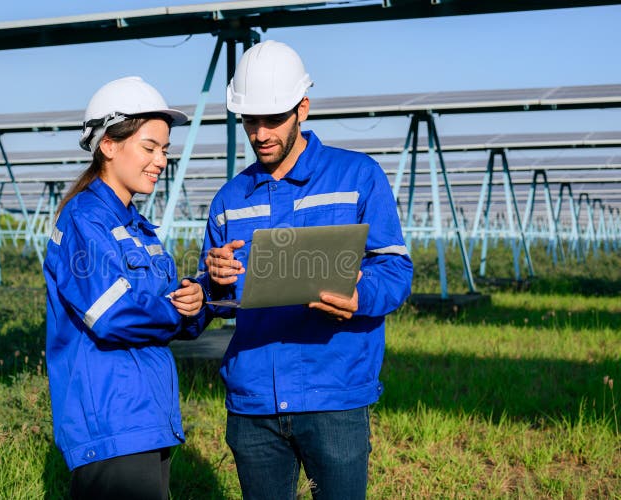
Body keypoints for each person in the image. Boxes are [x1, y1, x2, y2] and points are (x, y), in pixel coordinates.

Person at [198, 41, 414, 499]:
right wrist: (211, 282)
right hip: (253, 399)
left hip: (333, 394)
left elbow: (394, 269)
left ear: (303, 109)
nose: (260, 133)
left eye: (273, 118)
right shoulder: (229, 200)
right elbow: (215, 302)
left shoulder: (357, 177)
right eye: (250, 120)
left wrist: (361, 298)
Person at [44, 76, 206, 500]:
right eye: (149, 147)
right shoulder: (85, 221)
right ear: (109, 145)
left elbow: (168, 309)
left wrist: (201, 297)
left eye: (165, 150)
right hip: (112, 424)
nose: (161, 160)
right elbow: (111, 313)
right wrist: (176, 311)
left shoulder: (139, 229)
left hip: (146, 418)